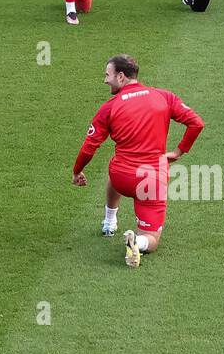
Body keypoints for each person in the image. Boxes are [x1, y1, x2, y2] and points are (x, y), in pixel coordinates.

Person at [71, 55, 204, 266]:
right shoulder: (164, 97)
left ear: (121, 76)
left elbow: (89, 147)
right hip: (150, 180)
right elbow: (196, 123)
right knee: (152, 239)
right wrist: (179, 152)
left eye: (108, 75)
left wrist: (77, 171)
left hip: (121, 178)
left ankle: (109, 222)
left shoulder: (109, 107)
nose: (105, 80)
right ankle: (137, 243)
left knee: (115, 165)